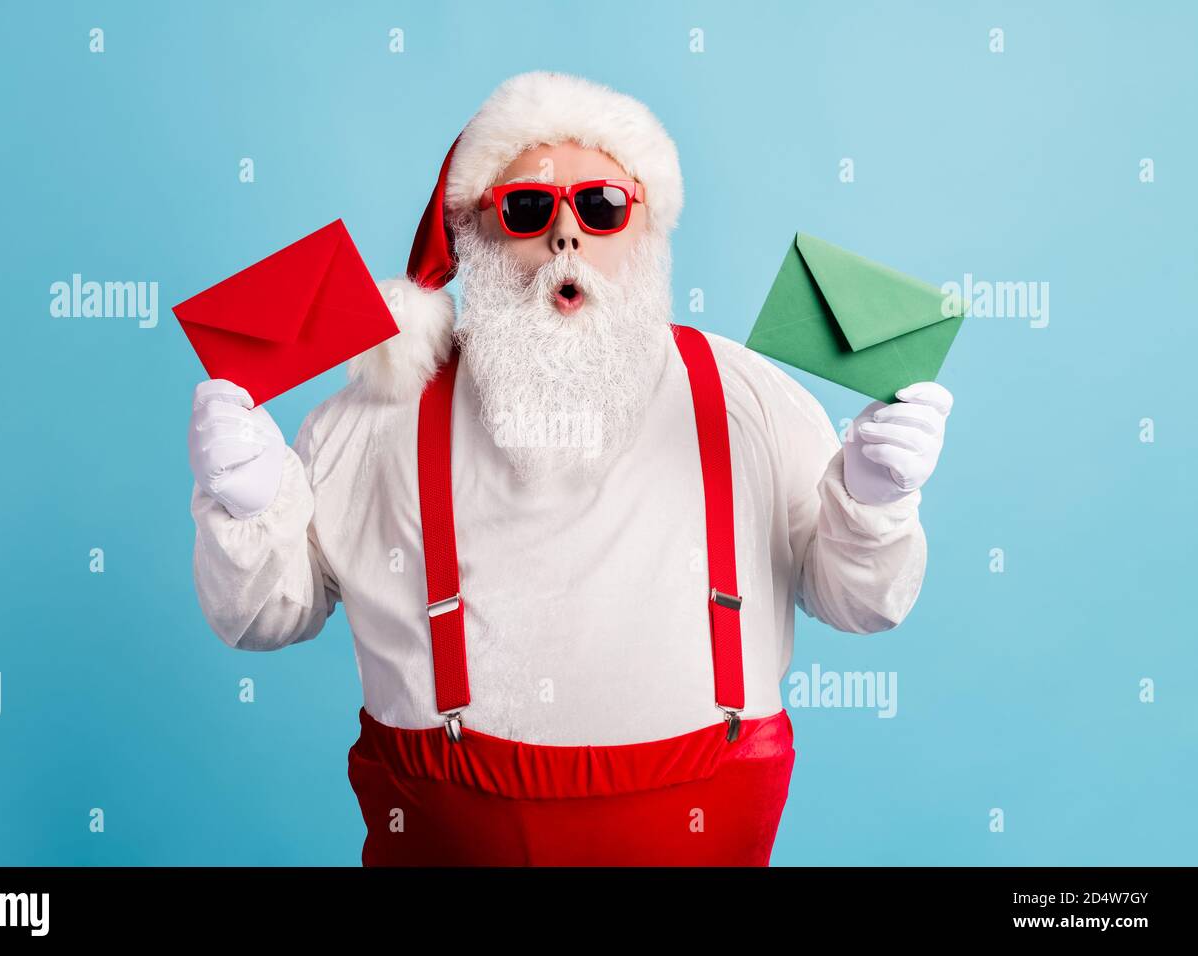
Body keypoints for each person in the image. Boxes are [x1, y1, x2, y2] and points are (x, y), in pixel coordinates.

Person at [186, 71, 953, 865]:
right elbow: (264, 617)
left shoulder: (746, 398)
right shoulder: (376, 414)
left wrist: (872, 504)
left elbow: (861, 605)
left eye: (600, 206)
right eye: (527, 209)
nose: (567, 238)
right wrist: (248, 506)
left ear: (646, 224)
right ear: (476, 234)